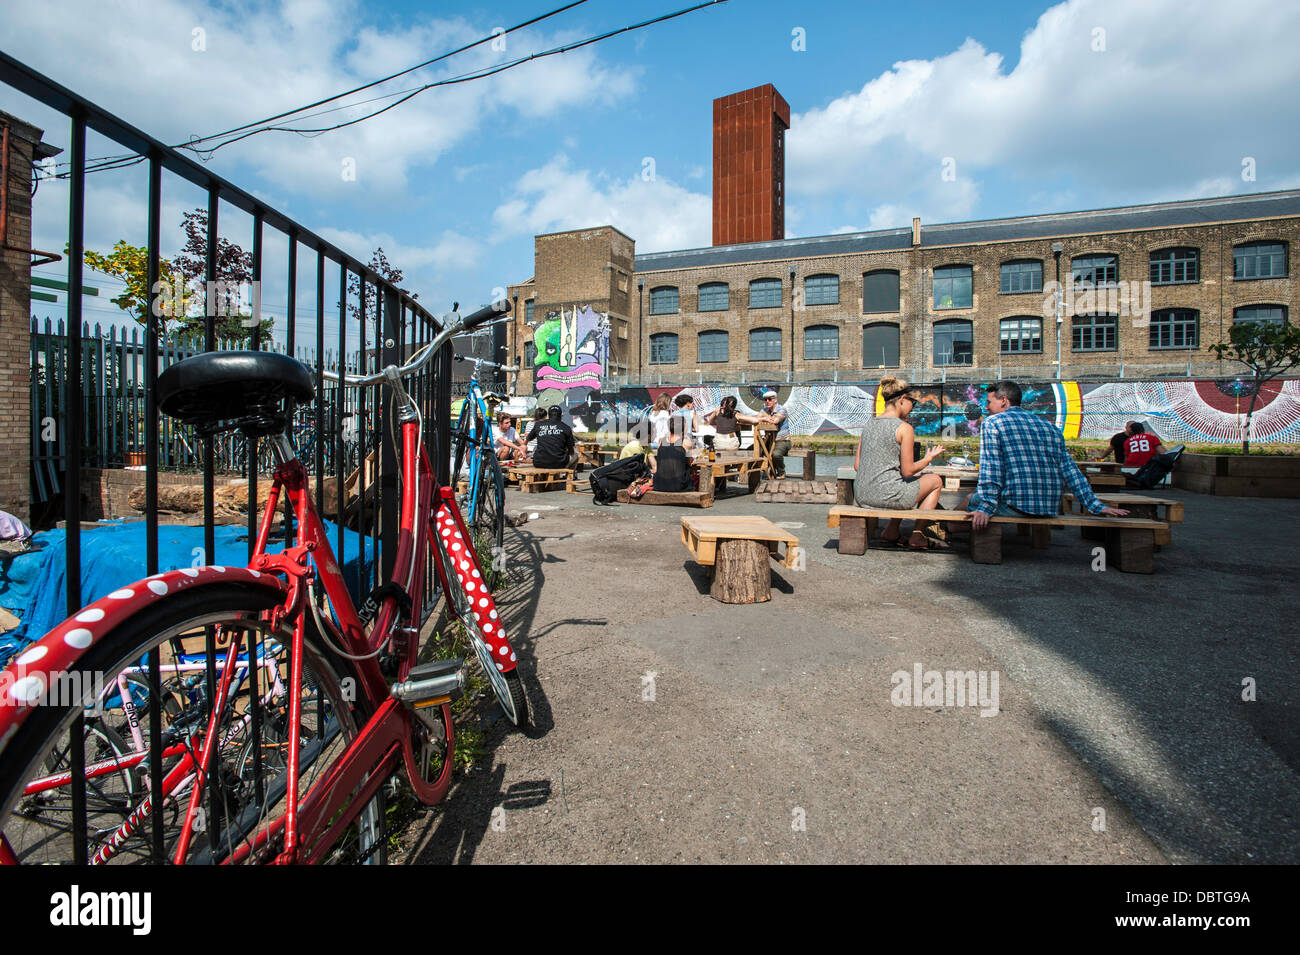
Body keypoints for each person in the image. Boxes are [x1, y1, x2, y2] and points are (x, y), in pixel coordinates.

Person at [964, 380, 1129, 529]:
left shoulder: (993, 423)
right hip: (1049, 507)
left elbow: (992, 469)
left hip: (1017, 506)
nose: (986, 407)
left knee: (970, 501)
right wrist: (1096, 506)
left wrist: (986, 507)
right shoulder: (1049, 427)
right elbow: (1071, 471)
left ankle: (947, 531)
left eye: (989, 402)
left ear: (1004, 401)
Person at [853, 376, 947, 549]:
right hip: (889, 496)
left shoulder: (868, 425)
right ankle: (918, 535)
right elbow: (908, 471)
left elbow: (858, 466)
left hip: (862, 495)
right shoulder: (904, 428)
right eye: (913, 402)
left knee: (904, 482)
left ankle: (892, 530)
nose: (913, 408)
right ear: (903, 400)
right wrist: (927, 459)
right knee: (935, 481)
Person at [526, 405, 576, 470]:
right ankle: (570, 476)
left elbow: (529, 438)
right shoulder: (566, 427)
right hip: (559, 463)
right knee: (575, 456)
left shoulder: (538, 425)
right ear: (560, 416)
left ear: (548, 415)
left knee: (536, 448)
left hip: (539, 462)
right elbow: (571, 448)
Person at [649, 417, 693, 491]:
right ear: (683, 428)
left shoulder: (661, 441)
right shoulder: (686, 442)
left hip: (659, 484)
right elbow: (689, 462)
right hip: (678, 485)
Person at [758, 390, 791, 478]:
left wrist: (764, 418)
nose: (767, 402)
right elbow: (756, 418)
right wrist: (766, 418)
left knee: (776, 454)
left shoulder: (782, 409)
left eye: (769, 399)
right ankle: (756, 472)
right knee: (754, 450)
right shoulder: (764, 410)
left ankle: (781, 472)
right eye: (765, 400)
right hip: (769, 439)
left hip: (782, 439)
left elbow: (776, 420)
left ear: (775, 400)